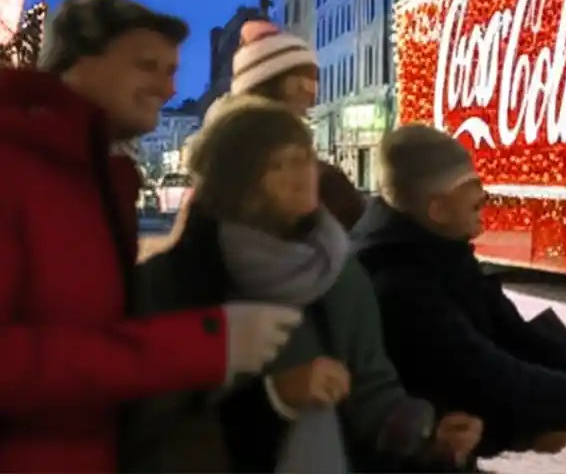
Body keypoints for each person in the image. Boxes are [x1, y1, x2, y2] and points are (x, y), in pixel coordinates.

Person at [0, 0, 303, 472]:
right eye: (147, 66)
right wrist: (200, 345)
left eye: (172, 70)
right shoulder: (16, 164)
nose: (167, 88)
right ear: (80, 61)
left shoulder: (98, 176)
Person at [133, 96, 482, 472]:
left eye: (304, 157)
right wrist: (272, 398)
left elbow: (373, 394)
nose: (299, 174)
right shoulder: (174, 278)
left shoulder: (338, 273)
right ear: (233, 180)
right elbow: (149, 416)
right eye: (277, 164)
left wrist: (429, 434)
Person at [353, 123, 566, 467]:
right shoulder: (402, 285)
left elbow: (513, 335)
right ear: (438, 210)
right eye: (475, 208)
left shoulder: (437, 254)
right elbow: (493, 377)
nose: (483, 218)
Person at [212, 19, 365, 229]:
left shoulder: (215, 168)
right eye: (310, 79)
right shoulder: (319, 181)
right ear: (289, 86)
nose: (313, 95)